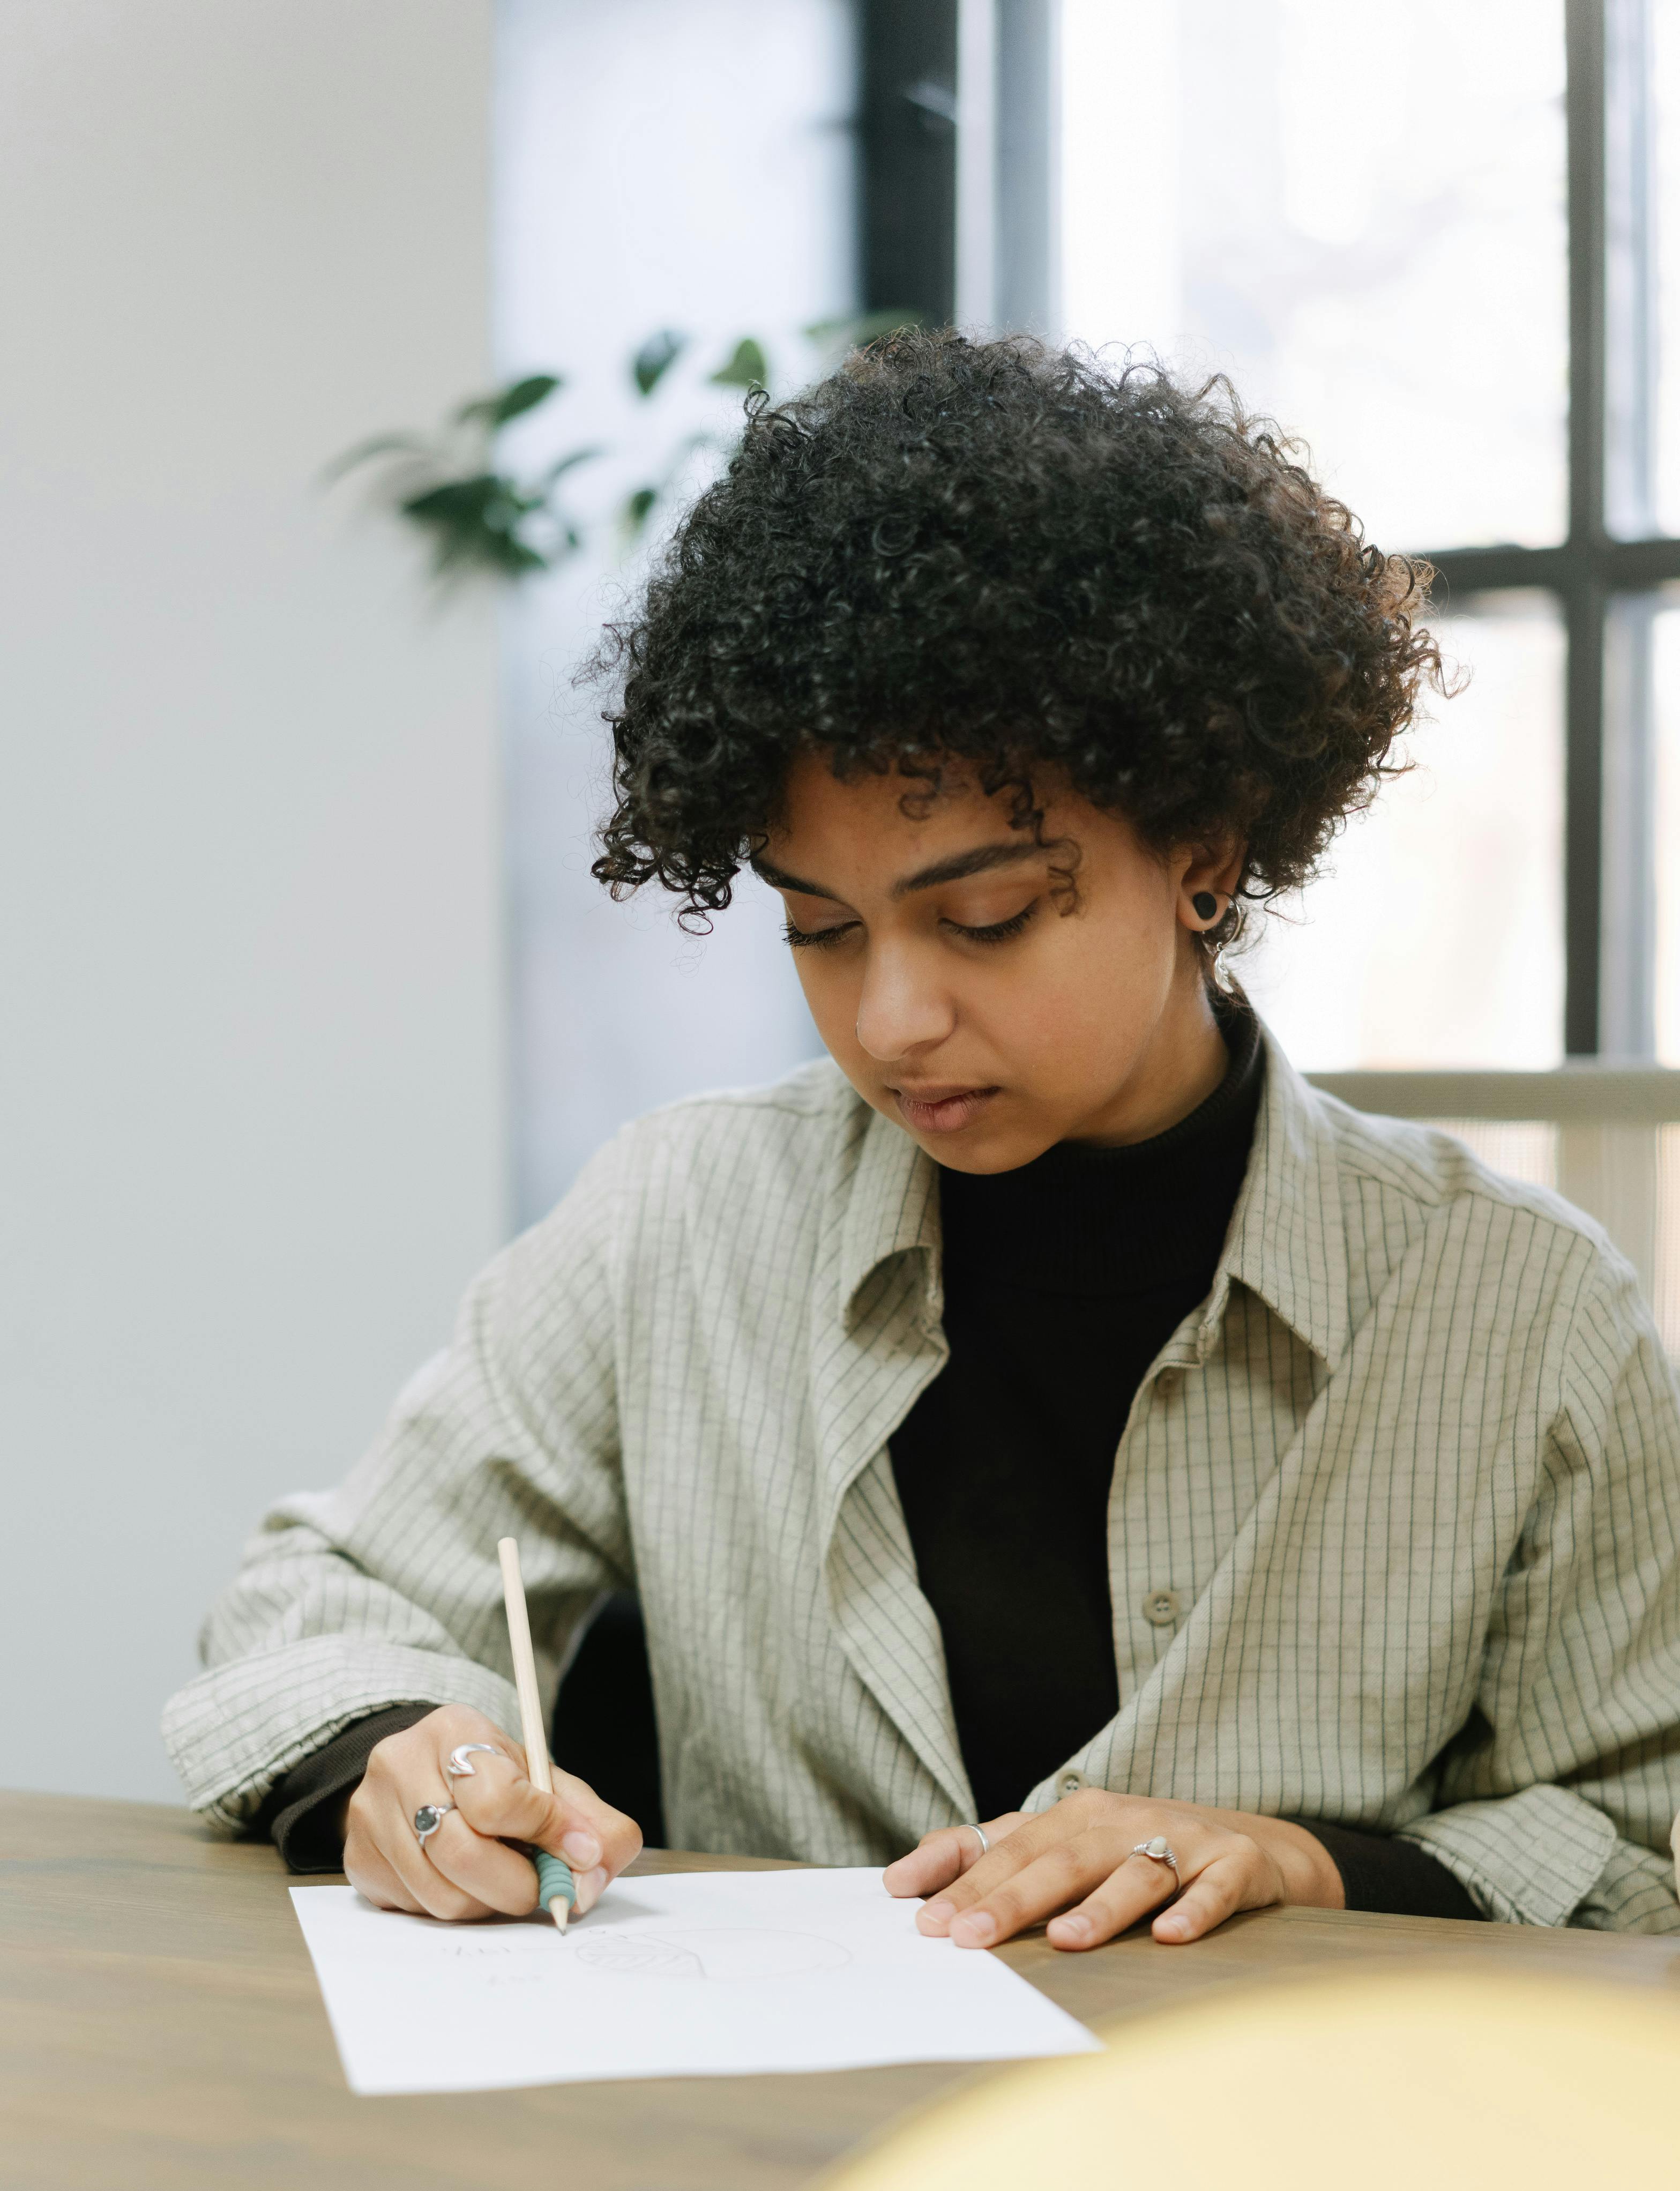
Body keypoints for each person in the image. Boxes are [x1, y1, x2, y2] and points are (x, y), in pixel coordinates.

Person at [165, 332, 1680, 1946]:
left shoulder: (1521, 1315)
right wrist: (416, 1765)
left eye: (984, 916)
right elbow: (315, 1603)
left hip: (1281, 2170)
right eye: (820, 929)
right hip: (778, 2168)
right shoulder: (682, 1217)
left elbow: (1640, 1845)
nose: (890, 1019)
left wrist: (1306, 1862)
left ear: (1204, 851)